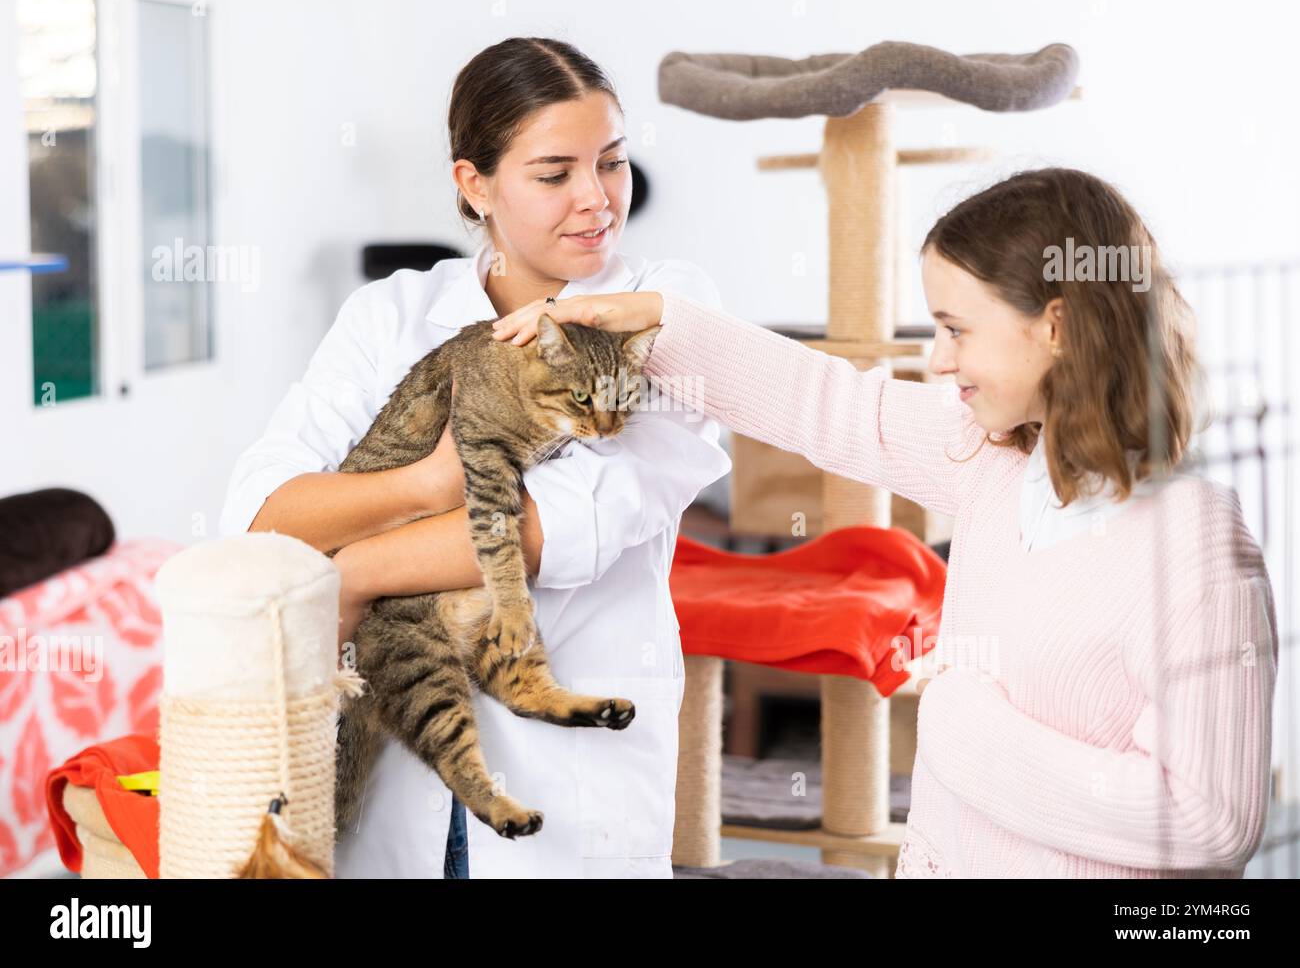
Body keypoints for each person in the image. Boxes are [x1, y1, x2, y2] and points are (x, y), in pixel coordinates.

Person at [491, 166, 1279, 879]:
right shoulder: (995, 458)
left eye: (956, 328)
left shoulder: (1195, 548)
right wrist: (658, 320)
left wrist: (962, 727)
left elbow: (1207, 819)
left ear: (1058, 327)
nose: (936, 359)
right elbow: (829, 404)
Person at [217, 38, 731, 878]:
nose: (597, 200)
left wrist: (351, 575)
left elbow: (560, 526)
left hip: (566, 798)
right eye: (555, 173)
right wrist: (426, 483)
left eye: (613, 163)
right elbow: (264, 515)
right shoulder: (391, 313)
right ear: (474, 184)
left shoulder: (666, 307)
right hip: (389, 793)